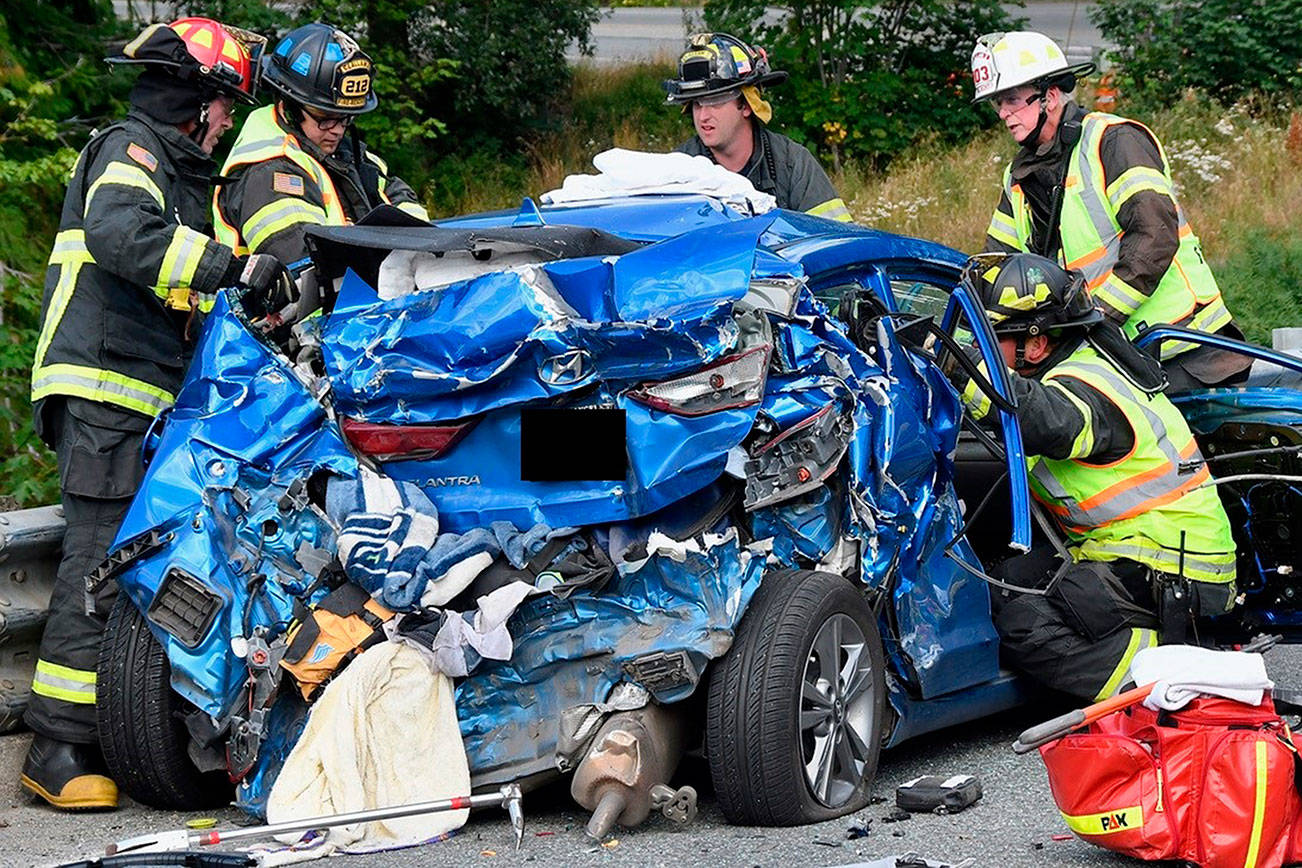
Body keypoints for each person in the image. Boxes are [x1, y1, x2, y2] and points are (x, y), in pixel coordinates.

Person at [23, 18, 294, 810]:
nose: (224, 124)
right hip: (104, 387)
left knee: (131, 560)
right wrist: (232, 266)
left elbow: (179, 287)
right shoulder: (130, 151)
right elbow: (120, 236)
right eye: (221, 106)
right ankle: (57, 747)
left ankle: (102, 730)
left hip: (142, 396)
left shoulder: (178, 177)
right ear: (192, 99)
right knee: (99, 562)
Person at [959, 252, 1238, 702]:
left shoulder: (1084, 386)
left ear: (1036, 343)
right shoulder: (1081, 362)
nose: (983, 345)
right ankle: (1170, 651)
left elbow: (1047, 421)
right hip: (1138, 553)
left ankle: (1168, 674)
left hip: (1176, 567)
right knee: (1004, 580)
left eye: (993, 340)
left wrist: (965, 368)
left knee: (1024, 623)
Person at [970, 31, 1251, 391]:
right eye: (998, 103)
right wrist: (969, 332)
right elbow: (996, 267)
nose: (1004, 114)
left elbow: (1154, 238)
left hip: (1185, 347)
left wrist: (1093, 317)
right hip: (1115, 355)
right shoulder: (1019, 177)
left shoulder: (1112, 142)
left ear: (1050, 96)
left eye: (1011, 99)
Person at [215, 22, 428, 284]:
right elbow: (302, 264)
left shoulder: (346, 154)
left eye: (346, 119)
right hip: (287, 323)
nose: (337, 131)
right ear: (288, 105)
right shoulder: (269, 170)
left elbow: (402, 200)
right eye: (326, 118)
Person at [665, 32, 851, 221]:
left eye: (715, 102)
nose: (703, 116)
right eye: (696, 104)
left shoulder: (791, 164)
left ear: (747, 105)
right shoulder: (680, 171)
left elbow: (836, 239)